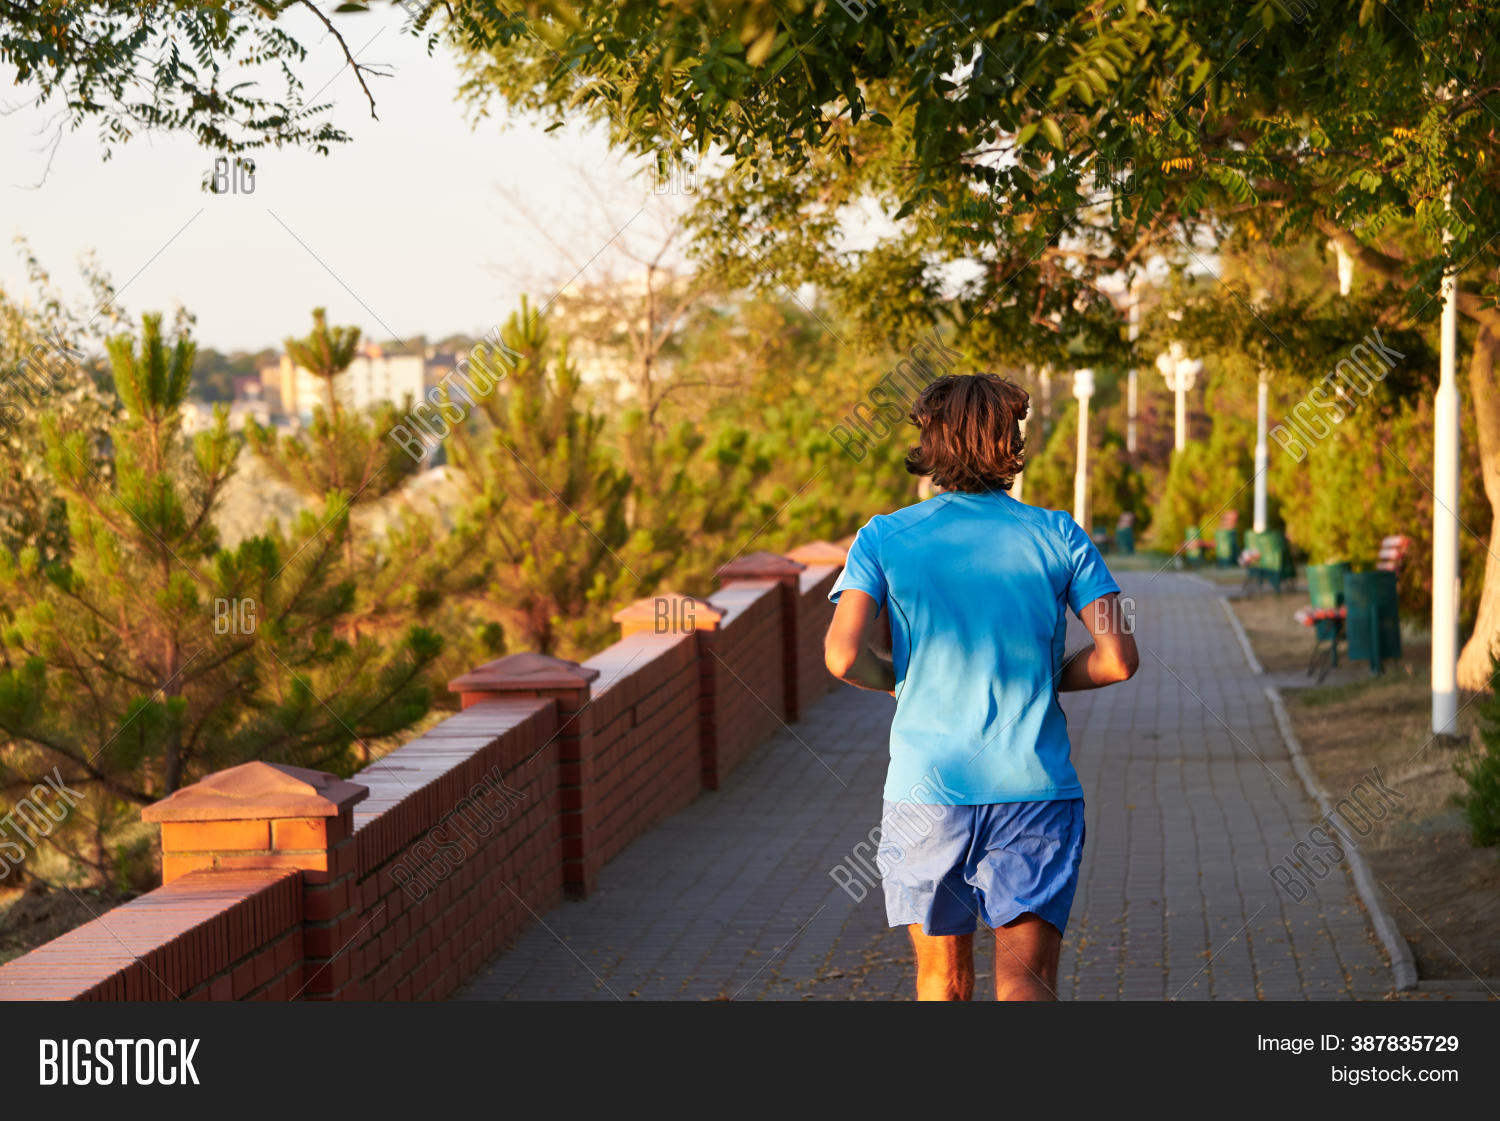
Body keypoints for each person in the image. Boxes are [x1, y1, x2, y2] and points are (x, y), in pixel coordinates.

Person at [823, 373, 1138, 1001]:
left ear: (931, 440)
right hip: (1035, 792)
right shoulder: (1062, 534)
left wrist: (897, 681)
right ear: (1010, 444)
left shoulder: (882, 536)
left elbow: (840, 656)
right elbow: (1120, 654)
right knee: (1027, 982)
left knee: (941, 979)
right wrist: (1049, 677)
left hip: (926, 791)